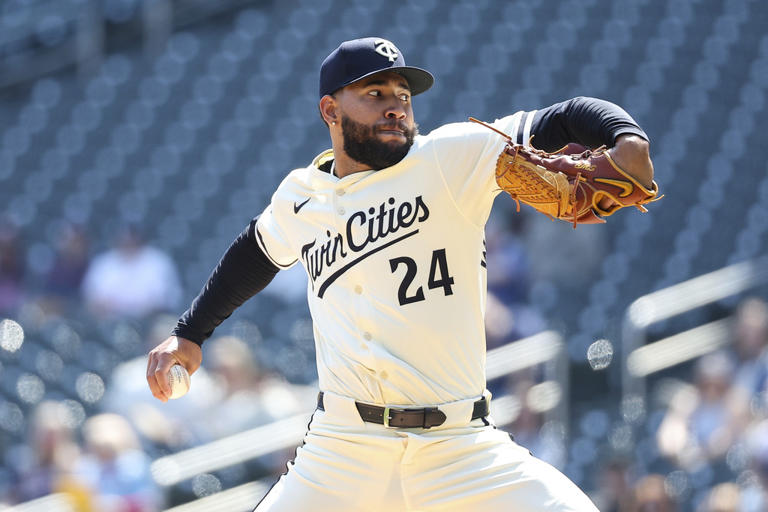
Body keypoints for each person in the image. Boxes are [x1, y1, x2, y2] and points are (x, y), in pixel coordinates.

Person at [146, 37, 655, 511]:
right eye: (374, 92)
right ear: (330, 109)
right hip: (343, 449)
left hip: (458, 447)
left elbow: (565, 117)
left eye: (403, 94)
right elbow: (254, 252)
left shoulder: (451, 156)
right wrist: (189, 333)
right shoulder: (300, 196)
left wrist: (626, 136)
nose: (396, 104)